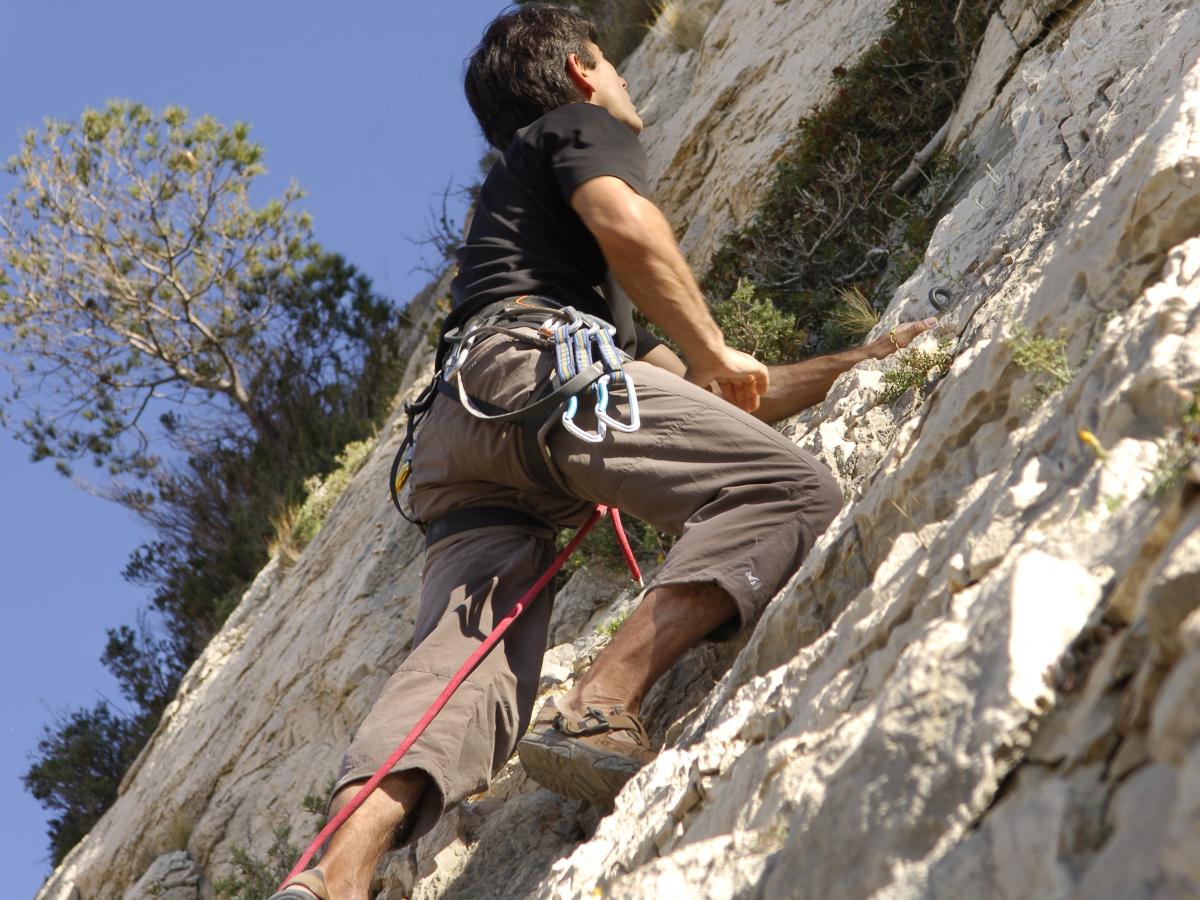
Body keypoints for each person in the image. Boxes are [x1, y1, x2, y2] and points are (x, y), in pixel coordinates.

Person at [271, 6, 933, 899]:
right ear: (584, 69)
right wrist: (710, 343)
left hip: (461, 433)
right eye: (615, 67)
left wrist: (859, 362)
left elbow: (721, 397)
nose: (623, 85)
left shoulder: (531, 249)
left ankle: (330, 881)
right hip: (538, 376)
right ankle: (598, 706)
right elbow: (627, 226)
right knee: (786, 491)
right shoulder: (576, 128)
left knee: (461, 667)